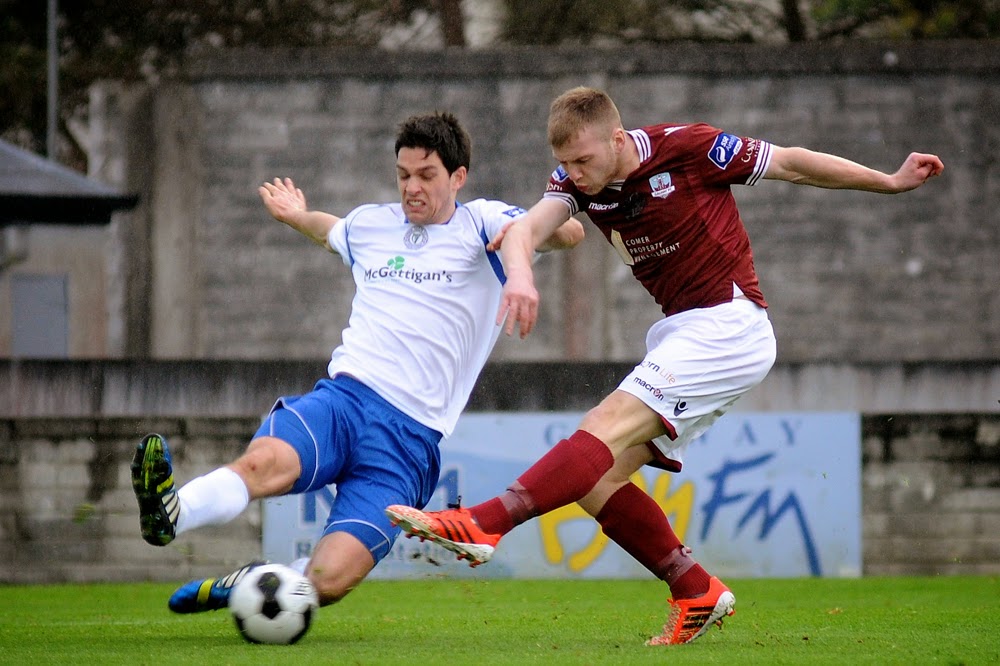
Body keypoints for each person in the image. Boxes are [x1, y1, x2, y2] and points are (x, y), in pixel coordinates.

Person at [386, 86, 945, 645]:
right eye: (564, 164)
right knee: (596, 478)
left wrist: (889, 180)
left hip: (729, 323)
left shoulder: (688, 148)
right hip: (686, 332)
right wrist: (524, 275)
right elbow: (526, 230)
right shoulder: (574, 184)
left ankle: (485, 523)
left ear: (616, 137)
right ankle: (694, 587)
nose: (575, 175)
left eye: (584, 160)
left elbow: (793, 163)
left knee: (600, 427)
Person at [130, 112, 584, 614]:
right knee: (263, 464)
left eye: (426, 176)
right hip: (345, 400)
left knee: (327, 581)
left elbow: (567, 234)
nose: (412, 187)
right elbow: (332, 231)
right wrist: (296, 215)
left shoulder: (485, 224)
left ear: (458, 177)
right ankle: (174, 513)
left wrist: (544, 235)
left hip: (409, 441)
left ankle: (253, 586)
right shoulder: (373, 224)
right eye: (404, 174)